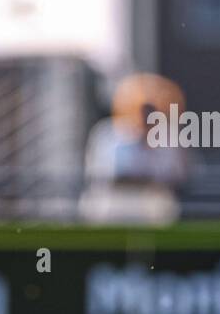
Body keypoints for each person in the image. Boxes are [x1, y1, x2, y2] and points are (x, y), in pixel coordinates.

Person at [80, 73, 190, 225]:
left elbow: (175, 174)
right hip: (113, 196)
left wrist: (150, 149)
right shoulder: (107, 134)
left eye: (150, 110)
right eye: (142, 109)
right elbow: (100, 173)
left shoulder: (168, 136)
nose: (146, 115)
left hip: (150, 195)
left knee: (162, 205)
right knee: (99, 206)